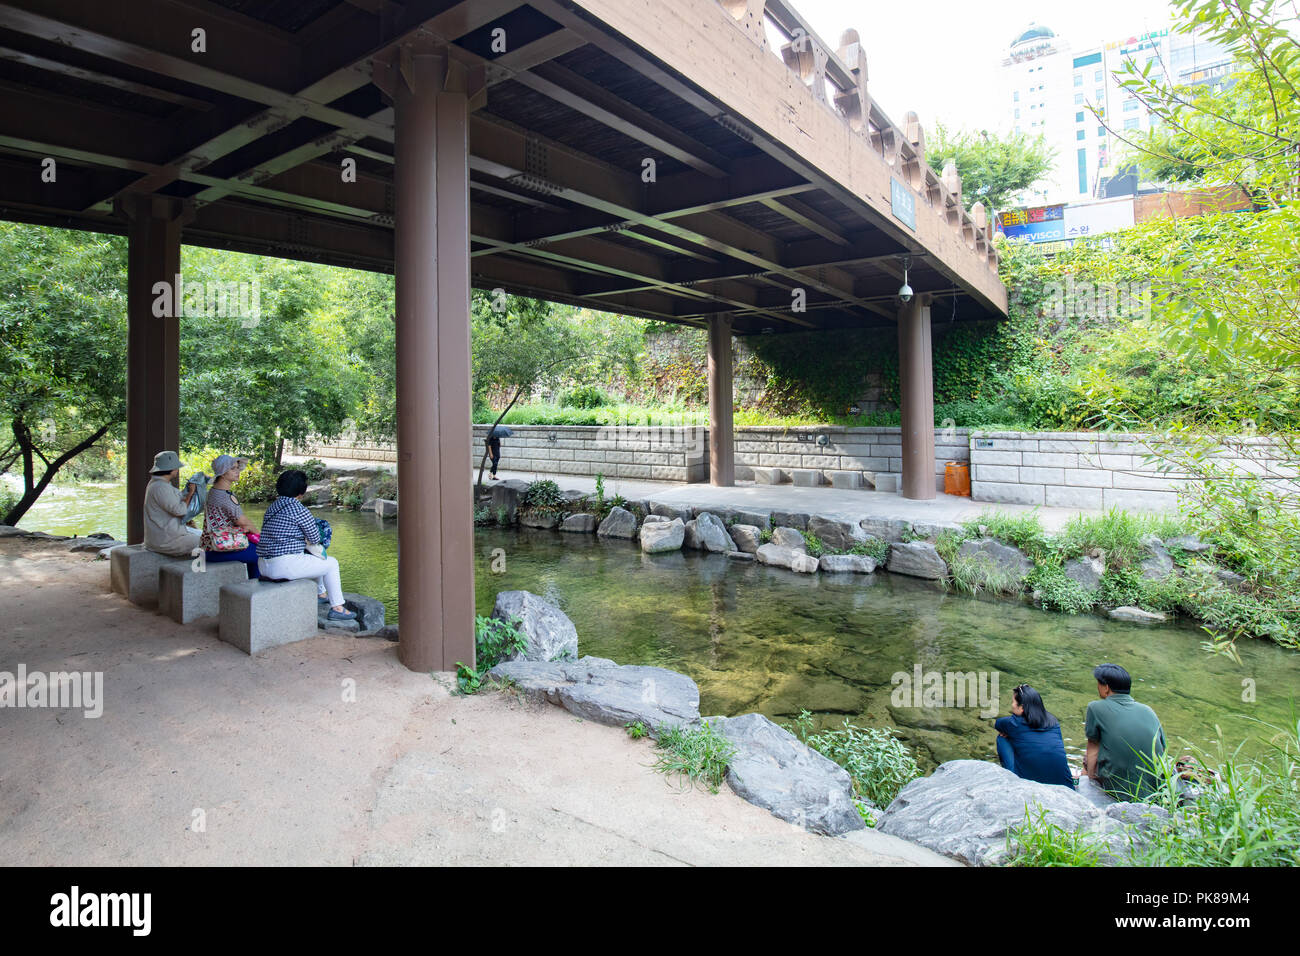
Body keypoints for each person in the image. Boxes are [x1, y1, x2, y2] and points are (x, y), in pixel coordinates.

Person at [256, 469, 355, 621]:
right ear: (301, 491)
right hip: (283, 566)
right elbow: (315, 538)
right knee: (331, 563)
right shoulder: (299, 509)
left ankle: (320, 594)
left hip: (263, 566)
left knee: (314, 558)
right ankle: (338, 607)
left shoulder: (273, 507)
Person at [1083, 663, 1167, 801]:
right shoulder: (1148, 710)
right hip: (1153, 791)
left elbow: (1093, 748)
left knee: (1087, 760)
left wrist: (1090, 780)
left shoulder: (1095, 707)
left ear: (1106, 687)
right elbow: (1162, 747)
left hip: (1118, 790)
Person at [994, 684, 1075, 789]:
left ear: (1022, 707)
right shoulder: (1053, 721)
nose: (1012, 705)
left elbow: (997, 724)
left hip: (1032, 787)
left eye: (1013, 702)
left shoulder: (1014, 723)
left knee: (1002, 738)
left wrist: (1009, 732)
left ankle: (1013, 780)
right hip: (1065, 787)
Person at [202, 454, 260, 580]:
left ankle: (254, 585)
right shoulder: (226, 496)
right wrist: (260, 536)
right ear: (222, 473)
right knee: (261, 552)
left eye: (237, 468)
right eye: (233, 469)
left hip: (208, 545)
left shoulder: (213, 491)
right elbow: (243, 522)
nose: (237, 471)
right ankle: (256, 587)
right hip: (218, 549)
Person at [142, 450, 202, 558]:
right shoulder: (161, 488)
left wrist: (187, 493)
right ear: (172, 469)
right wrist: (191, 494)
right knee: (209, 540)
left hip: (160, 538)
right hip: (167, 542)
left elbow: (174, 501)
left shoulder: (158, 484)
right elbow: (180, 511)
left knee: (201, 535)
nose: (177, 470)